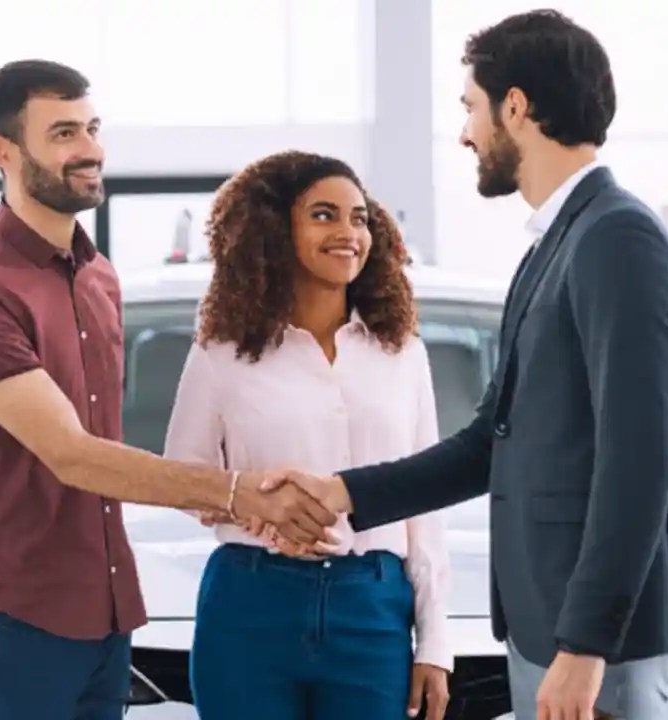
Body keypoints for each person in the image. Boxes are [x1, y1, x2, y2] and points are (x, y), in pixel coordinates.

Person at [263, 11, 668, 719]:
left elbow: (639, 460)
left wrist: (586, 645)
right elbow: (488, 445)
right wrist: (340, 492)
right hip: (552, 625)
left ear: (517, 107)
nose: (467, 132)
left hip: (602, 643)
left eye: (471, 107)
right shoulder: (556, 244)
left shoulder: (617, 239)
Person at [0, 61, 336, 720]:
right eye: (63, 133)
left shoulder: (99, 279)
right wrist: (235, 491)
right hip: (15, 620)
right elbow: (73, 454)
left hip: (108, 614)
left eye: (91, 128)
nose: (89, 149)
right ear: (3, 152)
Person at [162, 150, 452, 720]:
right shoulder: (221, 354)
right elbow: (183, 479)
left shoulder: (402, 354)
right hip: (250, 604)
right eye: (323, 215)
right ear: (274, 229)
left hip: (373, 605)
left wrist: (436, 644)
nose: (348, 233)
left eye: (360, 218)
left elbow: (427, 505)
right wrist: (259, 509)